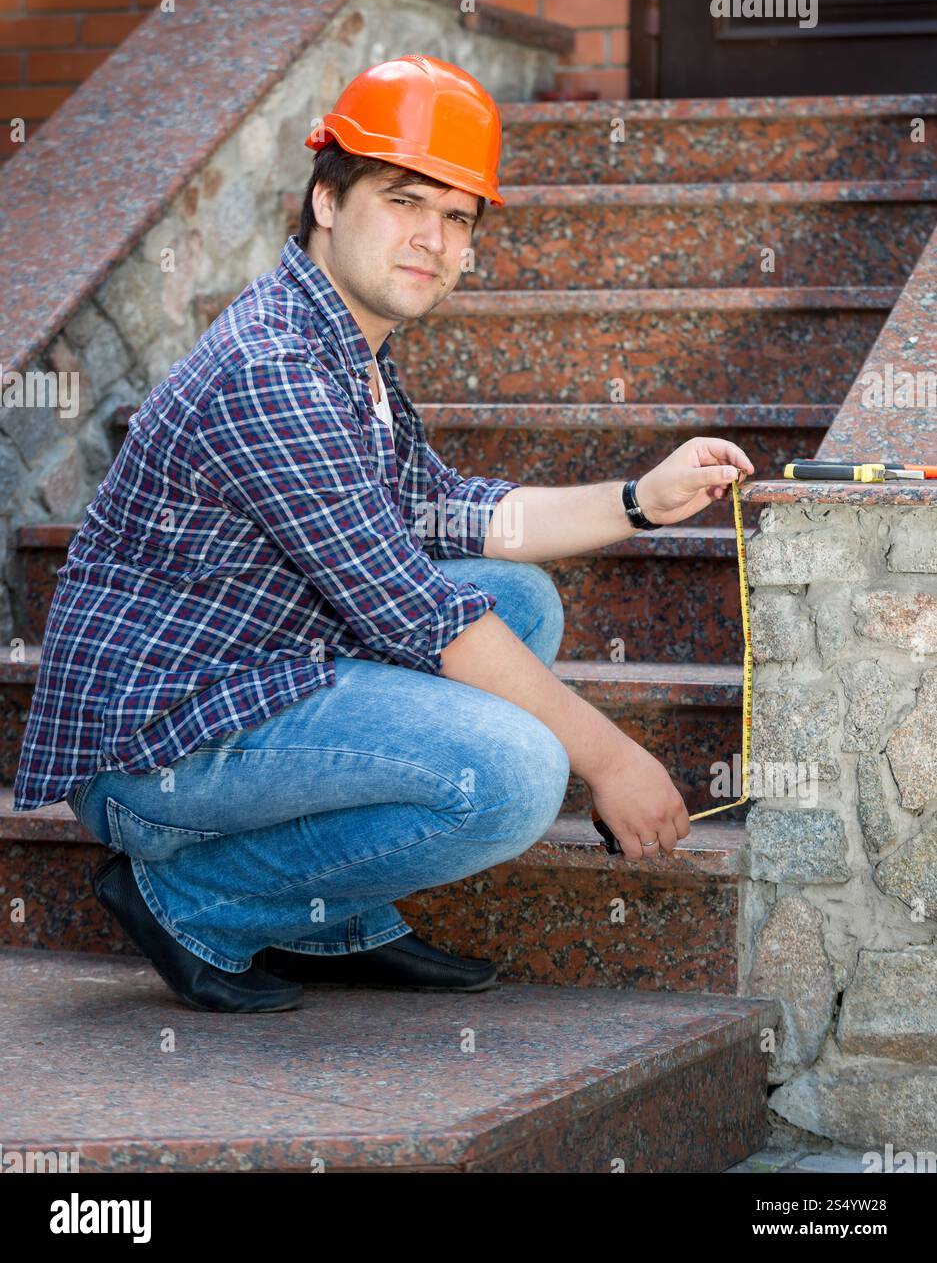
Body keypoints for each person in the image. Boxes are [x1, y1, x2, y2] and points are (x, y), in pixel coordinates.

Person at [14, 55, 753, 1013]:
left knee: (518, 599)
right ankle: (194, 899)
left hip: (257, 671)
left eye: (456, 217)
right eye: (405, 201)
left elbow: (449, 514)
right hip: (163, 749)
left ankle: (332, 918)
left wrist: (639, 499)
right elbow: (417, 612)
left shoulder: (347, 347)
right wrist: (611, 760)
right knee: (514, 773)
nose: (433, 239)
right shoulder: (274, 368)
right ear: (327, 199)